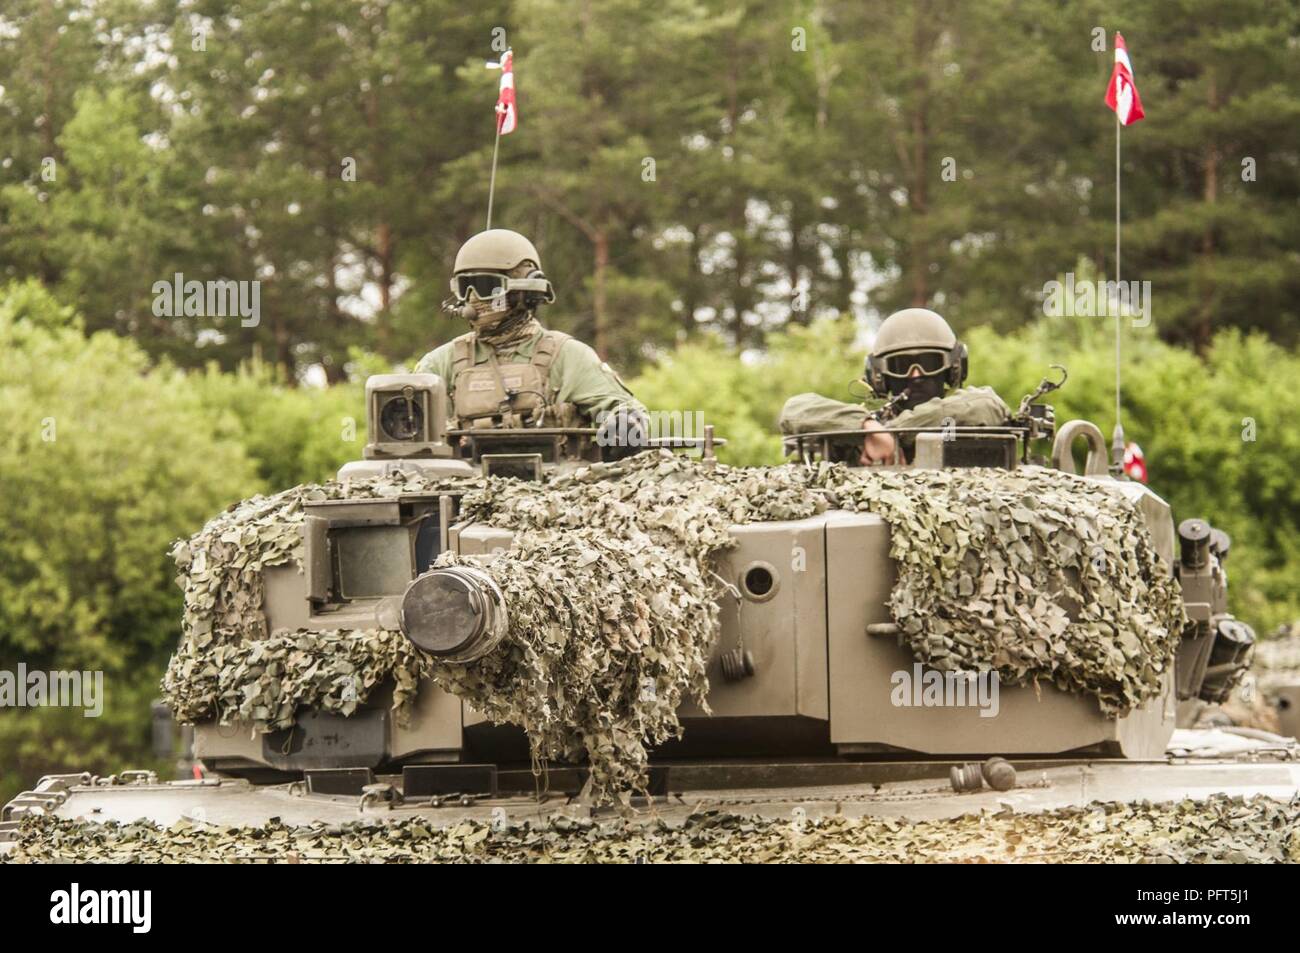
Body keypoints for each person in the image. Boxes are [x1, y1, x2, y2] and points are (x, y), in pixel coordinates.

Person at [415, 229, 648, 456]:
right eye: (465, 287)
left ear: (524, 290)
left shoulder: (567, 356)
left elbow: (625, 410)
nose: (473, 298)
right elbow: (402, 432)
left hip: (559, 491)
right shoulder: (440, 364)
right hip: (462, 490)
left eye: (485, 286)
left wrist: (625, 424)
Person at [778, 307, 1009, 465]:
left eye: (929, 363)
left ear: (953, 368)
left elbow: (986, 404)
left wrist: (894, 434)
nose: (916, 375)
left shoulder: (967, 414)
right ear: (880, 376)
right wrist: (866, 427)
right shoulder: (866, 427)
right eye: (902, 365)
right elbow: (795, 409)